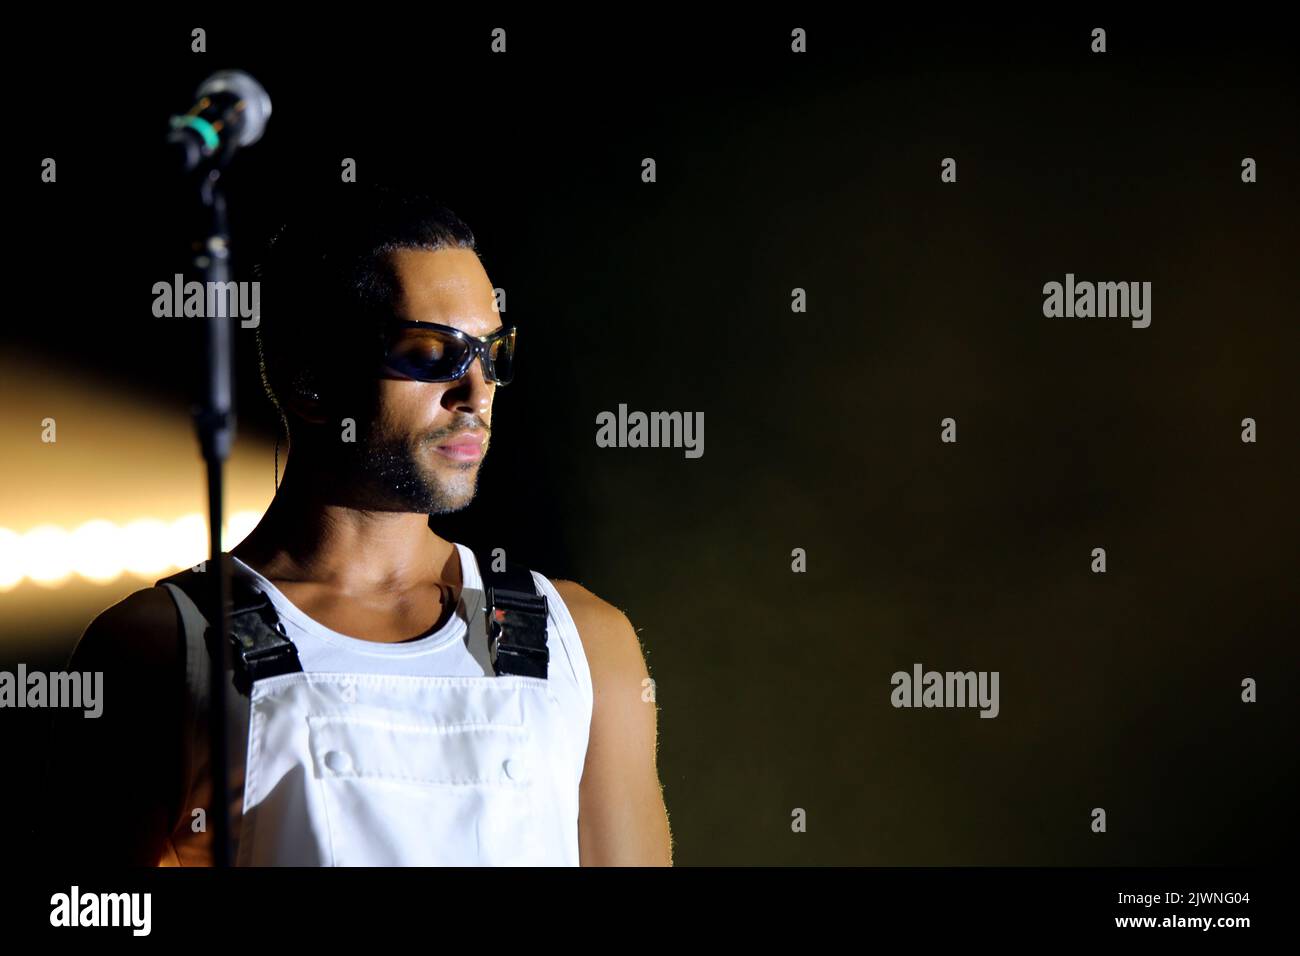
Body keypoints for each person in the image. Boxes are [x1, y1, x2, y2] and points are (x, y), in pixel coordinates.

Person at [48, 187, 673, 866]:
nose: (476, 391)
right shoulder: (165, 649)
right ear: (308, 378)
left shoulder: (581, 640)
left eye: (494, 353)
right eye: (432, 353)